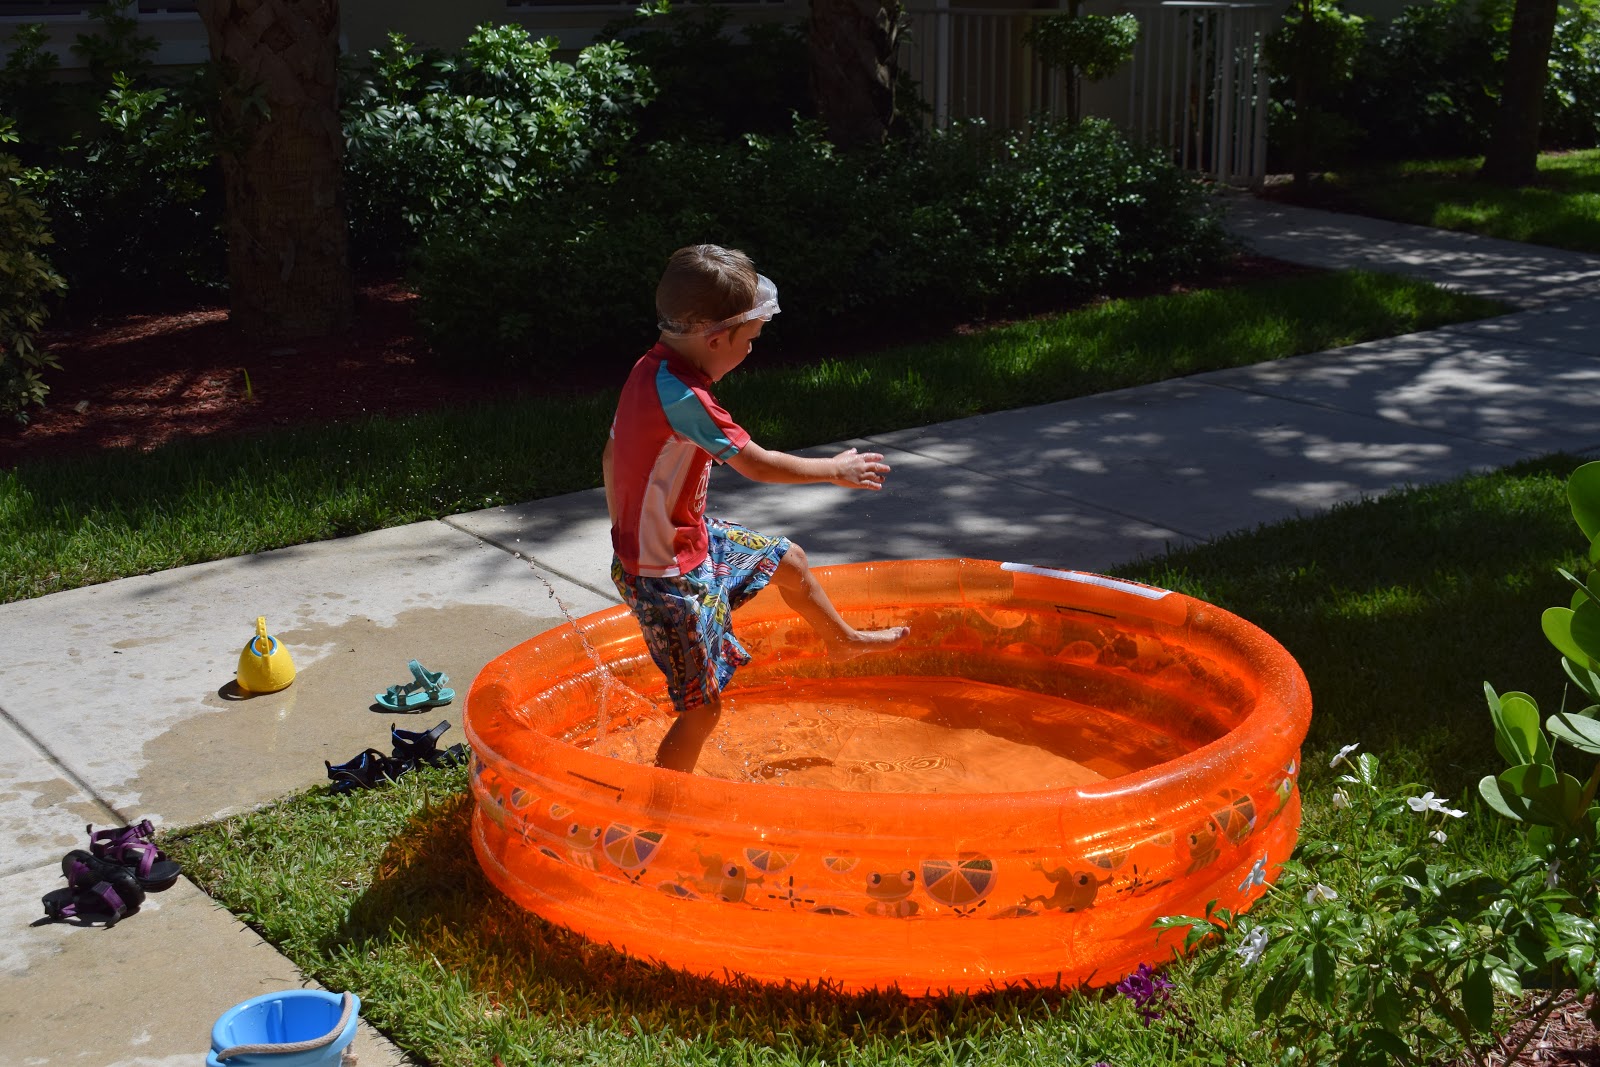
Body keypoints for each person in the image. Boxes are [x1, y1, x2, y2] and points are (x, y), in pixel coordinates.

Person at [602, 244, 910, 774]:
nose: (749, 353)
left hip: (687, 540)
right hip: (667, 577)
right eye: (749, 342)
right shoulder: (685, 400)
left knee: (787, 559)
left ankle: (844, 642)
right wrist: (834, 470)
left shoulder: (648, 372)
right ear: (716, 337)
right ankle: (658, 815)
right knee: (701, 712)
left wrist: (635, 519)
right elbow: (759, 465)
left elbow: (610, 454)